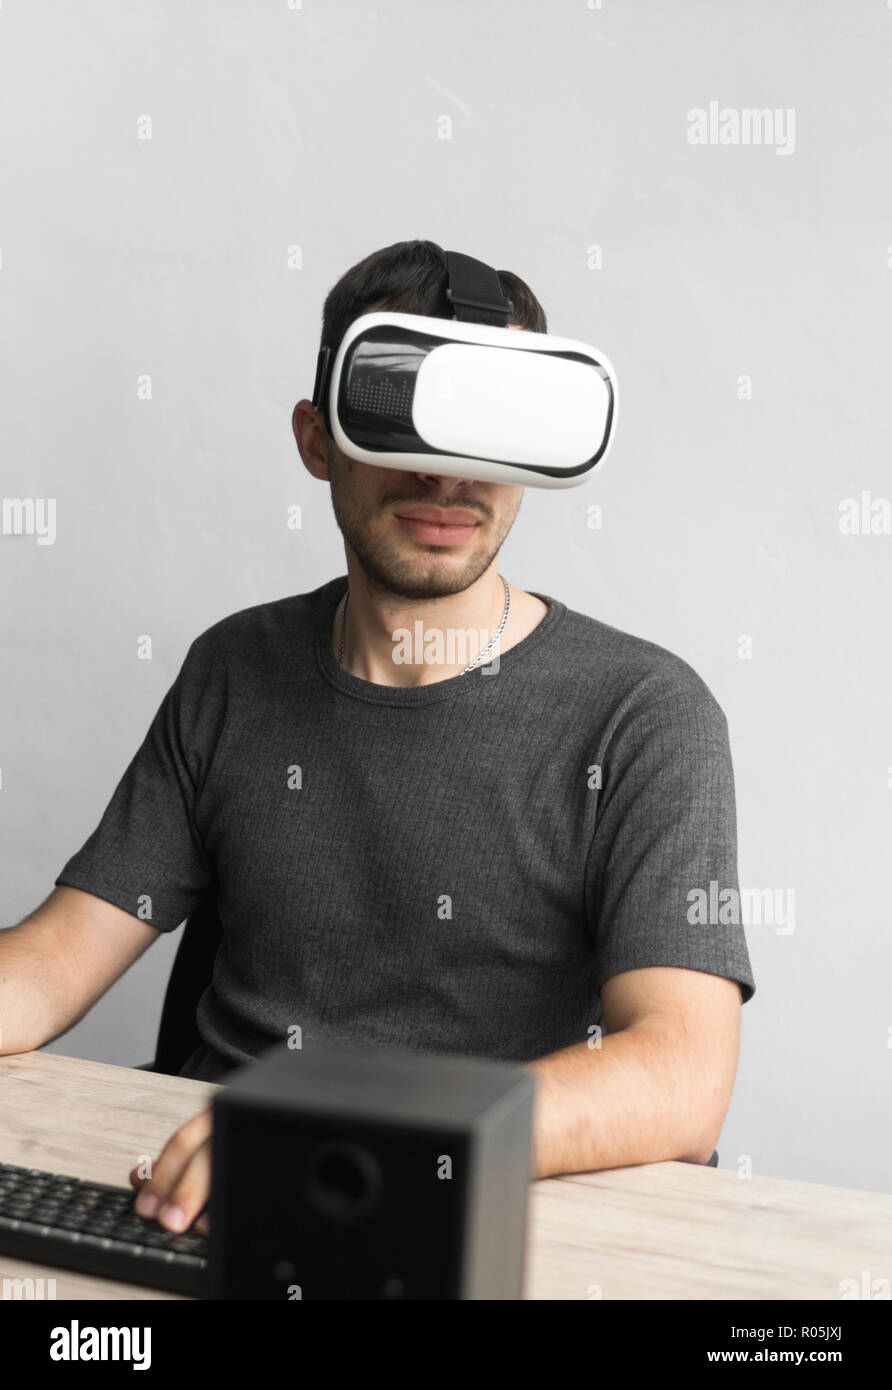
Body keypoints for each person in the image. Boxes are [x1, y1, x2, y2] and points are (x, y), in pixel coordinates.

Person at [0, 239, 754, 1239]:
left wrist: (364, 1131)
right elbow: (52, 964)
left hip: (472, 1208)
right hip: (202, 1196)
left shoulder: (644, 714)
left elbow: (681, 1071)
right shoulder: (236, 668)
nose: (445, 476)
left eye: (488, 428)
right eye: (403, 417)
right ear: (317, 439)